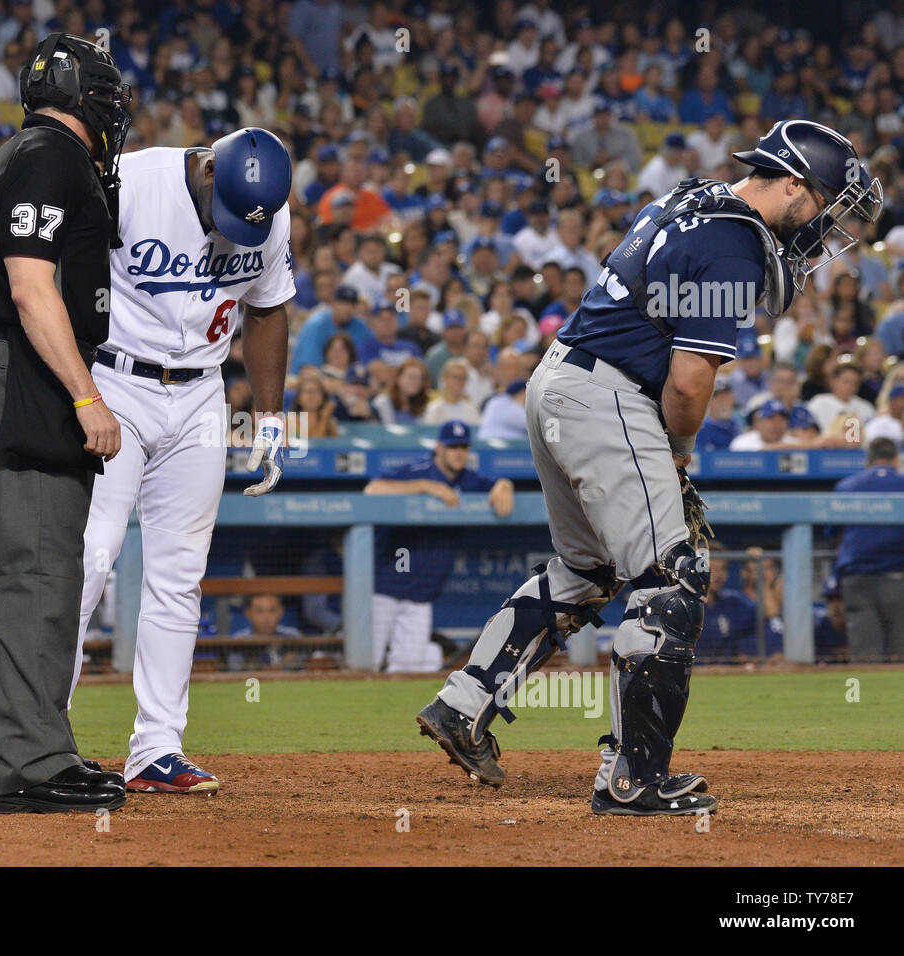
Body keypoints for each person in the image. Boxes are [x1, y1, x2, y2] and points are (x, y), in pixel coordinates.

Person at [415, 119, 881, 815]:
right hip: (608, 395)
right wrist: (676, 448)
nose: (820, 228)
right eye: (819, 204)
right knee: (672, 578)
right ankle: (632, 778)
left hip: (559, 382)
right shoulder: (734, 244)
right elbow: (691, 383)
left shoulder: (690, 198)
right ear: (791, 183)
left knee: (589, 571)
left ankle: (465, 700)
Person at [72, 127, 295, 795]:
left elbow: (268, 310)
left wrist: (271, 414)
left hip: (200, 391)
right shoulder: (129, 181)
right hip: (113, 380)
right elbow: (54, 273)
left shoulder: (267, 212)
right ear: (205, 170)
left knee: (180, 573)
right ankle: (41, 729)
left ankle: (157, 748)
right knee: (89, 553)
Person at [0, 33, 131, 814]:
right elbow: (31, 287)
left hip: (11, 365)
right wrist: (85, 395)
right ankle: (29, 761)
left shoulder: (22, 155)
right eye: (107, 94)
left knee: (19, 567)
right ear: (84, 96)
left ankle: (29, 740)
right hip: (30, 370)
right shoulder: (50, 157)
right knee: (35, 569)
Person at [365, 420, 514, 672]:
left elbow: (497, 485)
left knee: (407, 669)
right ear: (439, 447)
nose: (458, 452)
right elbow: (373, 490)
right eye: (452, 446)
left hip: (422, 593)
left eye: (463, 447)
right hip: (384, 586)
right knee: (365, 663)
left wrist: (504, 485)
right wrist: (425, 487)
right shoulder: (418, 471)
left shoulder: (469, 479)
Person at [833, 437, 904, 662]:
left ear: (868, 461)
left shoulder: (846, 486)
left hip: (857, 580)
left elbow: (832, 532)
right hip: (898, 579)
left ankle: (861, 698)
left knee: (865, 656)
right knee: (900, 656)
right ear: (896, 460)